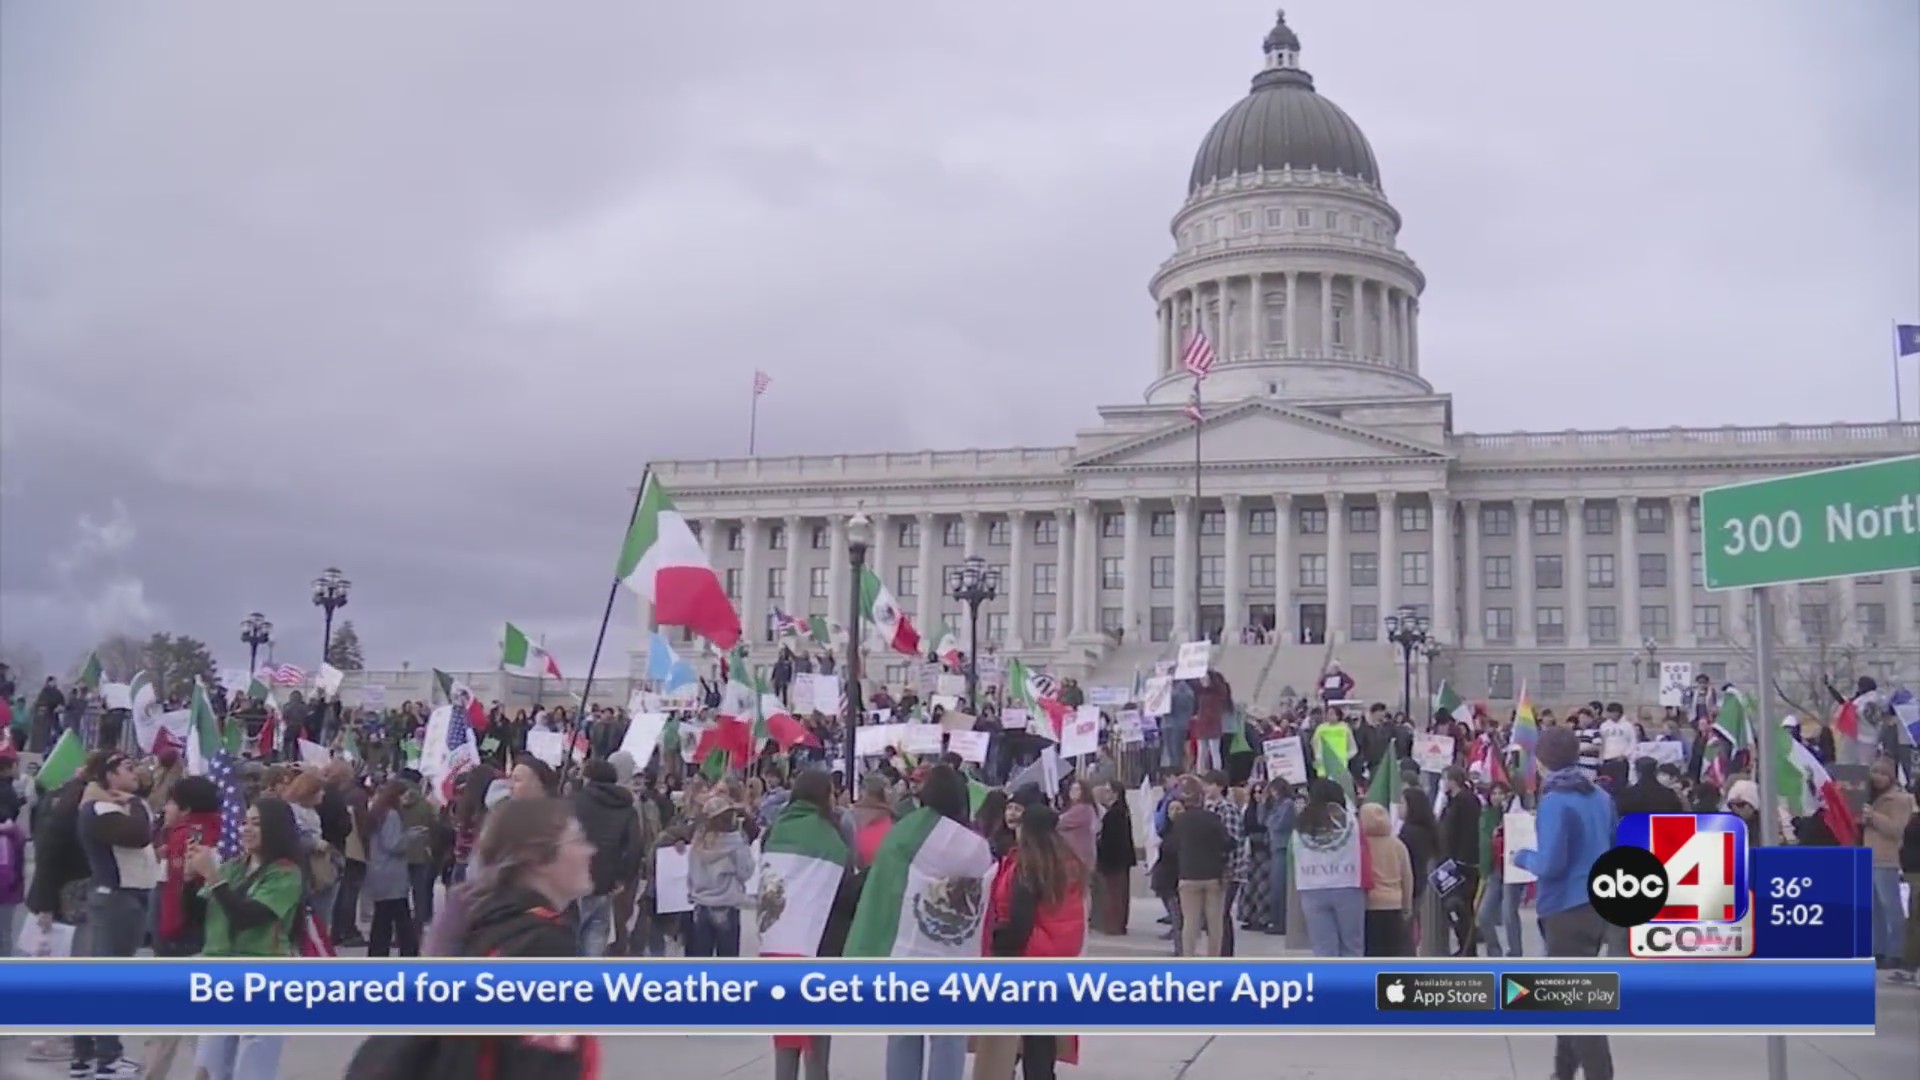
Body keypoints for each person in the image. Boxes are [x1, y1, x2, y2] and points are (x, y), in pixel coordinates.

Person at [346, 796, 600, 1080]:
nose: (590, 850)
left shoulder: (481, 924)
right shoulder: (542, 945)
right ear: (538, 858)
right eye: (577, 840)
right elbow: (541, 1067)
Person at [845, 765, 993, 1080]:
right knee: (949, 1039)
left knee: (903, 1035)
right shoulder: (976, 846)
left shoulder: (902, 835)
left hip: (908, 953)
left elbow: (882, 892)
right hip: (954, 958)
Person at [1511, 726, 1615, 1080]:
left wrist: (1522, 856)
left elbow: (1552, 864)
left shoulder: (1556, 801)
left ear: (1541, 762)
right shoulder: (1600, 797)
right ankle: (1563, 1072)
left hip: (1565, 907)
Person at [190, 797, 306, 1080]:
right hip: (219, 969)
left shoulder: (286, 873)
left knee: (254, 1063)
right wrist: (188, 877)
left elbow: (248, 916)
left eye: (256, 823)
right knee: (210, 1063)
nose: (246, 829)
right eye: (244, 822)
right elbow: (196, 913)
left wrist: (213, 878)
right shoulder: (233, 867)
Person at [763, 769, 864, 1080]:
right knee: (817, 1032)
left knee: (785, 1028)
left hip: (780, 938)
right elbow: (842, 889)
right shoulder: (830, 833)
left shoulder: (776, 829)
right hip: (821, 939)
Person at [974, 804, 1085, 1079]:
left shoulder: (1028, 866)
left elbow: (1020, 922)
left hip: (1028, 954)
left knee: (1009, 1035)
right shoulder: (1067, 862)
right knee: (1041, 1033)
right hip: (1059, 953)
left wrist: (994, 943)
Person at [75, 751, 159, 1079]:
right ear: (109, 775)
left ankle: (85, 1057)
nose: (134, 772)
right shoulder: (101, 809)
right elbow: (139, 834)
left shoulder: (111, 807)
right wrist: (137, 803)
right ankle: (107, 1058)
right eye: (127, 767)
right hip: (116, 900)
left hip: (124, 899)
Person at [571, 758, 641, 957]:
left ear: (588, 778)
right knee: (596, 936)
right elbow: (634, 848)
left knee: (572, 937)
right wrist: (623, 877)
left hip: (574, 880)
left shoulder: (574, 802)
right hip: (606, 883)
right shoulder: (626, 807)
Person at [1292, 779, 1364, 958]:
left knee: (1324, 949)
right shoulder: (1350, 821)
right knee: (1352, 946)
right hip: (1347, 884)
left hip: (1311, 887)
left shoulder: (1301, 824)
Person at [1163, 777, 1230, 957]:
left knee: (1190, 922)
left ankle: (1189, 957)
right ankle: (1213, 957)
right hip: (1213, 876)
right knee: (1215, 922)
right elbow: (1228, 843)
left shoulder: (1180, 821)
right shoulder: (1212, 818)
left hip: (1188, 875)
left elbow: (1171, 846)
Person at [1862, 757, 1915, 973]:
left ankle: (1896, 951)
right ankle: (1878, 949)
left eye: (1883, 773)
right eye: (1875, 772)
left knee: (1890, 906)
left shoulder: (1899, 800)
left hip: (1887, 859)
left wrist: (1874, 816)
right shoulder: (1870, 797)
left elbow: (1897, 830)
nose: (1878, 777)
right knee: (1874, 909)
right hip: (1869, 857)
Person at [686, 793, 753, 957]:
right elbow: (746, 872)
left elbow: (691, 874)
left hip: (701, 904)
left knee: (700, 960)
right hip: (727, 904)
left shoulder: (697, 843)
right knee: (727, 963)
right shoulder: (736, 842)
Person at [1360, 802, 1413, 956]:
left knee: (1372, 952)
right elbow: (1407, 877)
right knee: (1393, 952)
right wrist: (1407, 905)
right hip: (1395, 903)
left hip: (1369, 905)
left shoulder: (1362, 845)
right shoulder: (1397, 844)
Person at [1090, 779, 1135, 935]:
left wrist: (1099, 843)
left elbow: (1110, 839)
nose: (1105, 794)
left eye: (1108, 791)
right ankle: (1118, 923)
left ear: (1115, 793)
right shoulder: (1121, 811)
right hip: (1121, 859)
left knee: (1114, 894)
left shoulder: (1114, 813)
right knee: (1119, 893)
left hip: (1113, 860)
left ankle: (1114, 925)